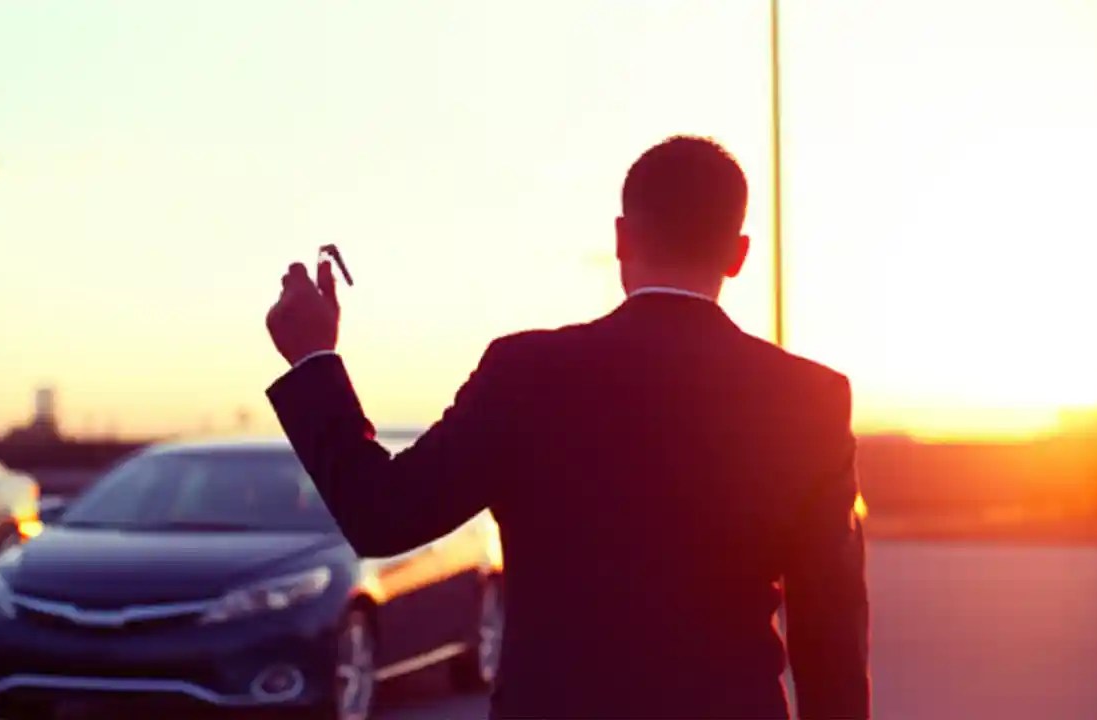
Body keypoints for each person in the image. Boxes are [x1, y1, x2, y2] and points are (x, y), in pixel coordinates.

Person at [264, 136, 870, 719]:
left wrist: (314, 361)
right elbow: (831, 635)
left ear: (621, 238)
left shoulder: (525, 373)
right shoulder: (809, 399)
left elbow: (382, 514)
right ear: (738, 255)